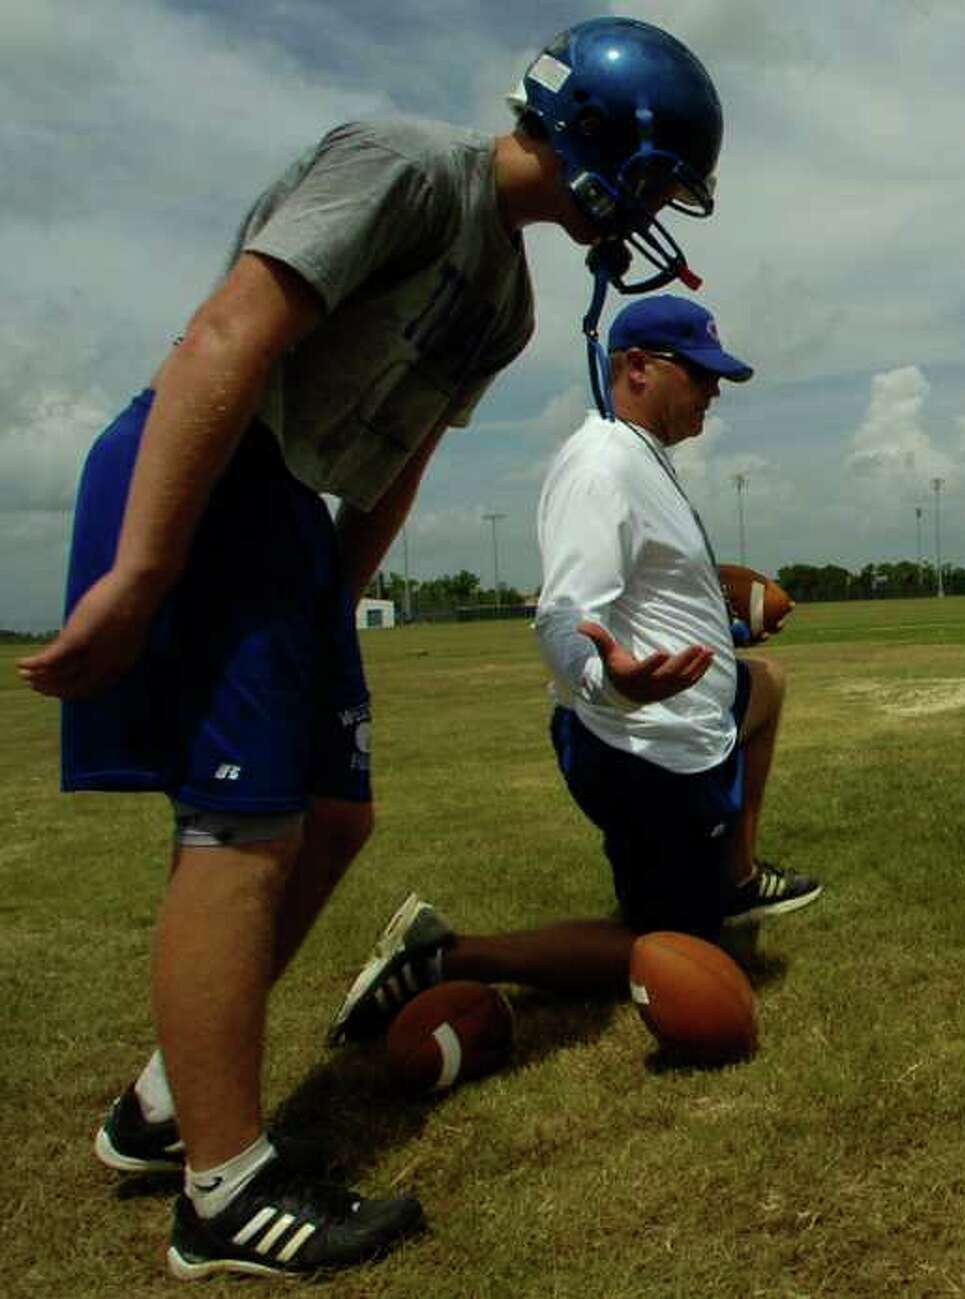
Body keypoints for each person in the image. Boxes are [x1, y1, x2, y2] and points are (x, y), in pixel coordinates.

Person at [17, 18, 728, 1280]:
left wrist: (325, 607)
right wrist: (144, 564)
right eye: (665, 177)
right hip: (214, 468)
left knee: (336, 814)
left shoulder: (507, 297)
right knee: (241, 832)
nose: (663, 207)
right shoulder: (405, 166)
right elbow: (227, 336)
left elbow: (399, 461)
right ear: (609, 144)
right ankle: (221, 1195)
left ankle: (161, 1107)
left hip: (291, 518)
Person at [324, 295, 820, 1043]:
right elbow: (562, 613)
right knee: (670, 945)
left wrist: (722, 620)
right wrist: (607, 679)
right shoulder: (602, 466)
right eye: (702, 374)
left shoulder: (642, 458)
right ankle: (444, 955)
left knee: (769, 685)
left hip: (690, 724)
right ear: (638, 368)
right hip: (643, 748)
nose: (714, 390)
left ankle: (738, 877)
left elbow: (650, 582)